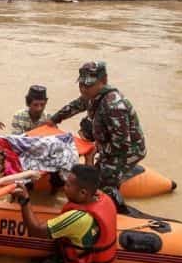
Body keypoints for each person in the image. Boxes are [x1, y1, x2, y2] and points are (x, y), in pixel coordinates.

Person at [11, 164, 117, 263]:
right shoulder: (103, 198)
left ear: (83, 193)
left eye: (68, 185)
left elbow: (35, 230)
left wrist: (25, 201)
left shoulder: (78, 218)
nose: (64, 186)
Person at [46, 61, 145, 211]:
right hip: (110, 143)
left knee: (98, 182)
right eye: (81, 85)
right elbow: (75, 106)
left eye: (88, 85)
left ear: (103, 81)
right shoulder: (92, 95)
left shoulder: (114, 106)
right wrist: (54, 119)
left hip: (127, 151)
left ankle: (117, 209)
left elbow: (122, 145)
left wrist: (96, 150)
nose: (84, 89)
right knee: (95, 172)